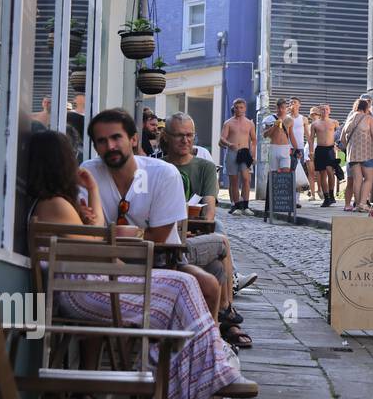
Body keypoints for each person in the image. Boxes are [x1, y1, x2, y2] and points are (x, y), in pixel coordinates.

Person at [26, 128, 254, 399]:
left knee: (179, 292)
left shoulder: (55, 203)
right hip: (84, 293)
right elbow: (101, 251)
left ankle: (186, 395)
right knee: (181, 288)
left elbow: (97, 245)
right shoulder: (56, 205)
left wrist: (91, 190)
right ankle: (197, 387)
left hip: (90, 287)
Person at [82, 109, 222, 320]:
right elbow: (85, 231)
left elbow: (158, 238)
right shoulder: (90, 173)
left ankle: (209, 349)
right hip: (107, 265)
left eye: (116, 138)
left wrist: (110, 236)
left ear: (134, 139)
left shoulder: (162, 173)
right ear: (94, 146)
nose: (110, 146)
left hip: (161, 263)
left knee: (210, 286)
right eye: (102, 141)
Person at [162, 113, 251, 348]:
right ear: (167, 137)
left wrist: (193, 229)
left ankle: (216, 330)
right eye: (179, 135)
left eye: (189, 135)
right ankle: (226, 316)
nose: (185, 140)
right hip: (168, 238)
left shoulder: (204, 166)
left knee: (217, 235)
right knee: (216, 259)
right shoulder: (159, 167)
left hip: (195, 235)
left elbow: (208, 214)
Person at [341, 98, 373, 213]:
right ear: (366, 108)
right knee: (369, 178)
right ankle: (363, 203)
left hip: (352, 155)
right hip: (367, 153)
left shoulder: (349, 120)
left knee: (357, 180)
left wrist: (351, 147)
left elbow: (342, 139)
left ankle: (358, 204)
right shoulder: (369, 119)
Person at [219, 98, 255, 215]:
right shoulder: (228, 122)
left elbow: (254, 140)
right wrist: (229, 144)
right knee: (234, 180)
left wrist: (253, 154)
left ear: (245, 108)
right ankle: (236, 205)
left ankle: (246, 205)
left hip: (244, 152)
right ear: (233, 108)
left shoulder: (249, 123)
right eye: (237, 107)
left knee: (246, 179)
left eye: (241, 107)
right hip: (232, 153)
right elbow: (222, 138)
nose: (239, 110)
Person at [262, 99, 300, 207]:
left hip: (285, 148)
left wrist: (296, 149)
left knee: (285, 173)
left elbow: (291, 135)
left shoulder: (289, 120)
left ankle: (283, 200)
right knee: (274, 174)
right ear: (276, 108)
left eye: (283, 108)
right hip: (274, 147)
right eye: (279, 108)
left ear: (286, 108)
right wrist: (274, 125)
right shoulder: (269, 119)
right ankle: (272, 199)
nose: (281, 110)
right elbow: (265, 135)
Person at [312, 104, 340, 207]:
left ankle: (332, 194)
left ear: (329, 111)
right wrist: (311, 151)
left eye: (326, 109)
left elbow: (340, 135)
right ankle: (326, 197)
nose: (324, 111)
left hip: (330, 149)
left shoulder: (334, 122)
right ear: (319, 111)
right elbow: (311, 139)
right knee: (322, 173)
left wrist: (339, 145)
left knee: (330, 171)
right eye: (322, 109)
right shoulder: (315, 124)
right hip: (320, 149)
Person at [289, 97, 315, 200]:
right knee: (289, 171)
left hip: (299, 148)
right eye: (291, 102)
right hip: (288, 148)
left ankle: (297, 198)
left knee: (298, 171)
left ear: (299, 105)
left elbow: (308, 136)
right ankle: (289, 197)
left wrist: (311, 151)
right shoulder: (286, 118)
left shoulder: (303, 119)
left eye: (295, 102)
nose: (292, 104)